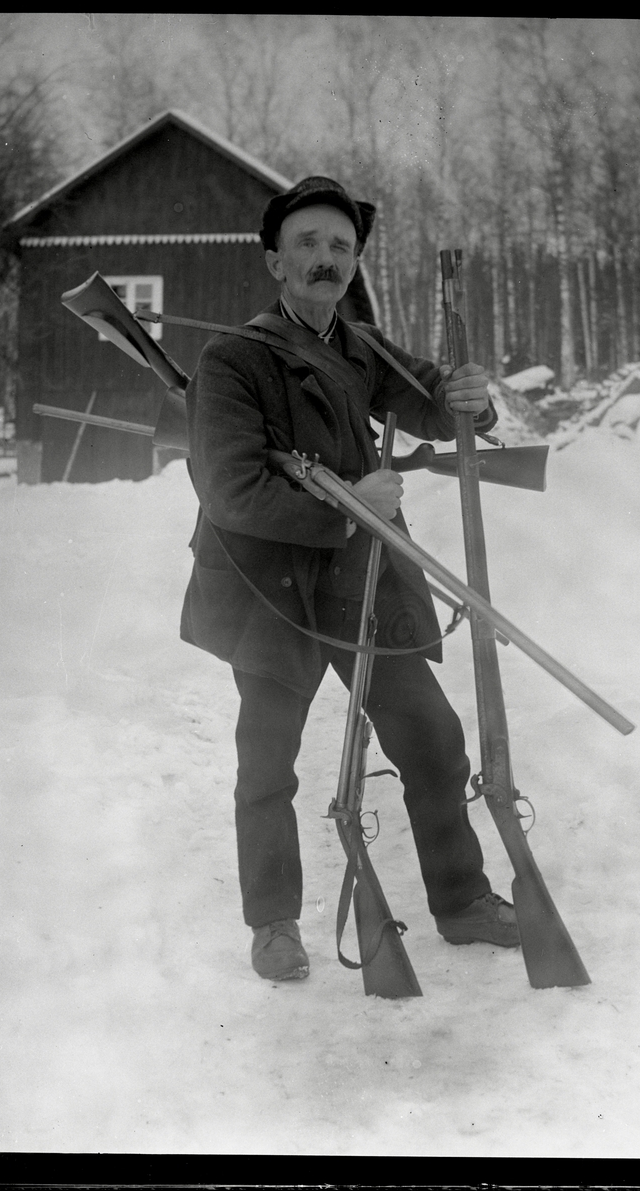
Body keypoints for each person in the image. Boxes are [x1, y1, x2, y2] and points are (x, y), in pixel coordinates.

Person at [180, 176, 520, 981]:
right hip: (271, 588)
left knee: (432, 739)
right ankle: (273, 925)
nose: (325, 259)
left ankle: (462, 902)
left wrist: (471, 398)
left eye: (340, 246)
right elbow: (229, 490)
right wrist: (347, 510)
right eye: (307, 244)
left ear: (354, 260)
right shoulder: (233, 359)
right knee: (268, 763)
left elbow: (436, 402)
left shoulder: (357, 345)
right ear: (275, 261)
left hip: (364, 579)